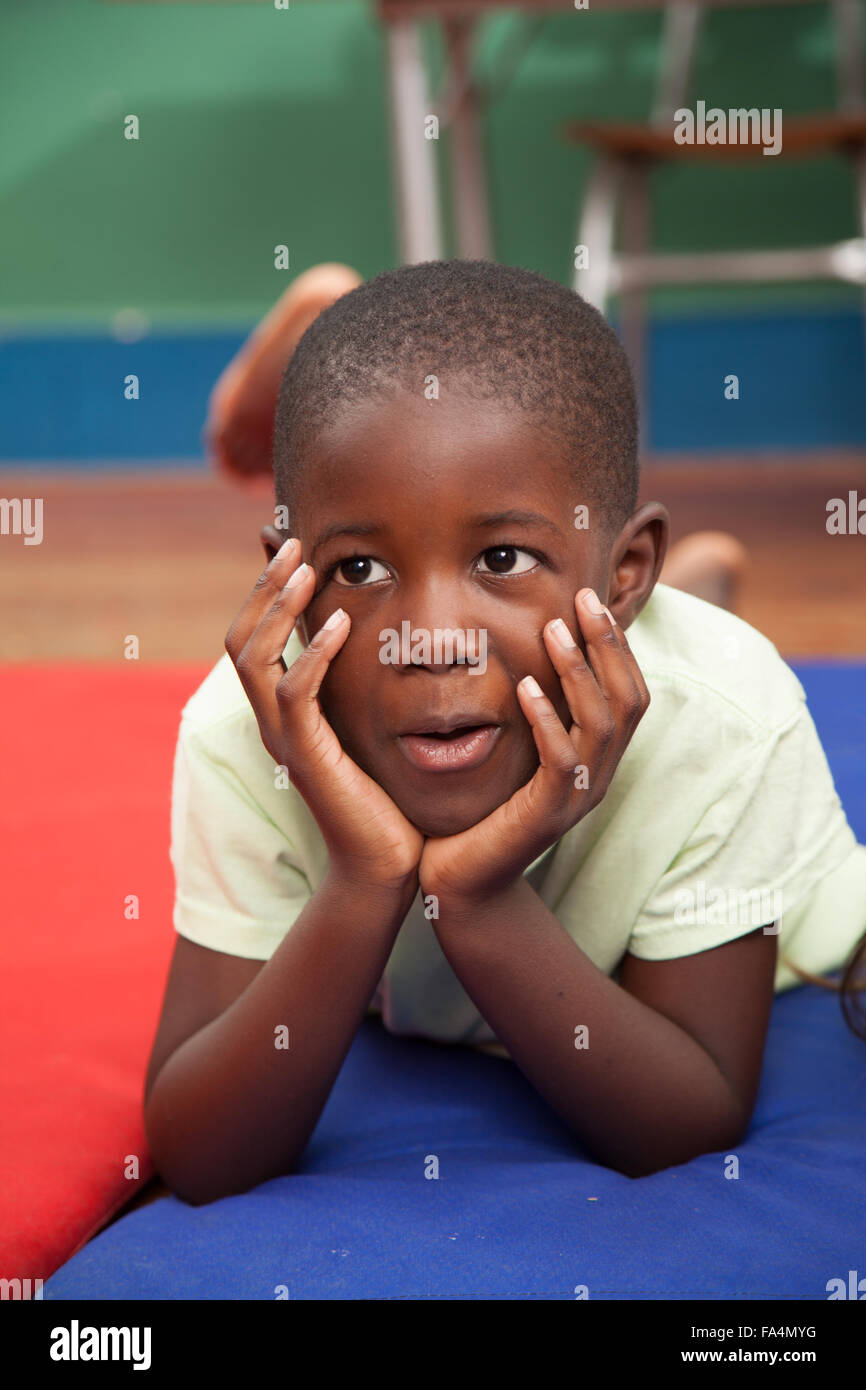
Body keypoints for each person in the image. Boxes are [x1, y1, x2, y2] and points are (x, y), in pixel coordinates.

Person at [144, 260, 866, 1207]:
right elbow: (199, 1154)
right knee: (593, 645)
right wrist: (366, 881)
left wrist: (476, 899)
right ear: (284, 581)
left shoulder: (726, 722)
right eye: (358, 568)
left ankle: (689, 604)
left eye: (502, 557)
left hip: (707, 778)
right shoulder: (249, 732)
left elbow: (691, 1118)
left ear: (622, 574)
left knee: (688, 664)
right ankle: (670, 589)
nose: (431, 639)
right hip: (585, 637)